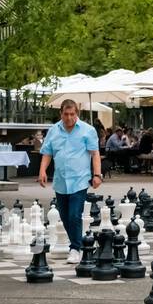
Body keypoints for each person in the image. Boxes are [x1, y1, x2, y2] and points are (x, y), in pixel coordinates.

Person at [38, 99, 101, 254]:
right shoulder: (53, 130)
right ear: (61, 113)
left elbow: (95, 154)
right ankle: (77, 243)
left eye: (72, 114)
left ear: (77, 114)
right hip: (60, 180)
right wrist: (42, 171)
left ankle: (75, 248)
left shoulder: (88, 130)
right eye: (66, 114)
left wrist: (97, 174)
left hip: (79, 179)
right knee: (64, 216)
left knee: (74, 214)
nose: (69, 117)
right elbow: (47, 153)